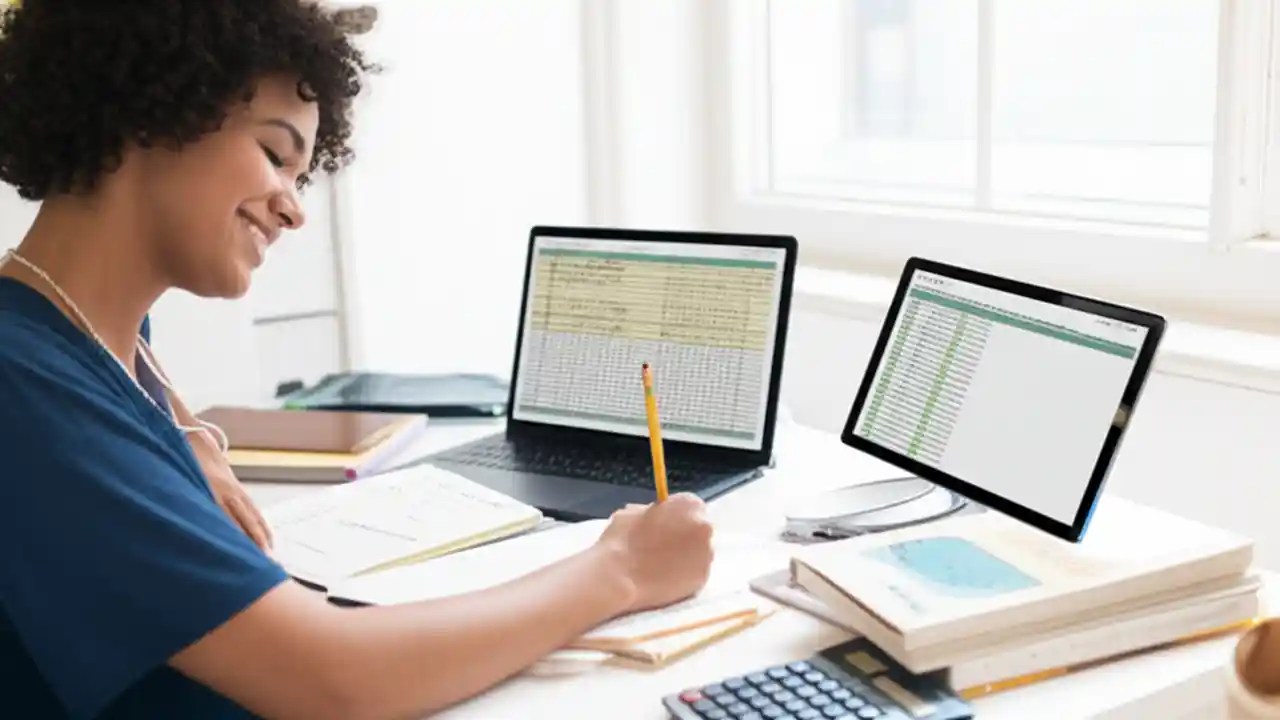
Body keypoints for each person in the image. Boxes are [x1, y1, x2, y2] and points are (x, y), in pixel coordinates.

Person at [0, 2, 715, 718]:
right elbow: (334, 680)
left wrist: (187, 438)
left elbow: (127, 378)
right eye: (276, 155)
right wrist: (619, 569)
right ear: (152, 109)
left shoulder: (82, 329)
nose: (293, 208)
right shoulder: (24, 387)